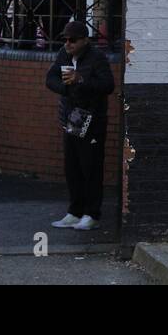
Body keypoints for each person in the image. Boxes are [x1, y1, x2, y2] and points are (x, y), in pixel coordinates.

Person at [45, 21, 114, 231]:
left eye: (72, 40)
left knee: (90, 166)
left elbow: (108, 86)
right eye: (65, 39)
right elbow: (50, 78)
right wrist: (65, 90)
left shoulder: (97, 58)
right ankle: (75, 211)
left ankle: (92, 213)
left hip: (91, 118)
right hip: (71, 117)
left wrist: (80, 79)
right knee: (72, 166)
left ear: (85, 40)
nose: (68, 43)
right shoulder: (63, 54)